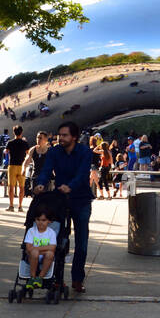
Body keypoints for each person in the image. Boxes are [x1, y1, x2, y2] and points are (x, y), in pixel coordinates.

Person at [35, 121, 95, 293]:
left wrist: (71, 186)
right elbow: (47, 170)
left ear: (74, 137)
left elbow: (83, 174)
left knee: (81, 241)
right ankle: (56, 279)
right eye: (60, 135)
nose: (61, 138)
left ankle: (77, 279)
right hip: (60, 199)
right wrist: (41, 183)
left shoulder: (84, 152)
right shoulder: (54, 151)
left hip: (81, 198)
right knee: (58, 238)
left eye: (65, 135)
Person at [23, 211, 60, 290]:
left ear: (49, 221)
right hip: (32, 257)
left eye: (43, 220)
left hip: (45, 258)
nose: (40, 222)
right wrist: (45, 248)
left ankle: (40, 277)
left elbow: (53, 247)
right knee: (34, 253)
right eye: (38, 220)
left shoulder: (51, 232)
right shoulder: (31, 231)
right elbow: (29, 248)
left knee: (50, 254)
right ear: (35, 220)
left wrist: (36, 248)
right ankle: (32, 277)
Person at [5, 126, 30, 211]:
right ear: (21, 132)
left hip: (12, 166)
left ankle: (11, 206)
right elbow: (28, 154)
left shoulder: (10, 142)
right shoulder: (25, 143)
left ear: (13, 132)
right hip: (22, 167)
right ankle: (20, 206)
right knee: (21, 187)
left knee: (11, 187)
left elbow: (6, 152)